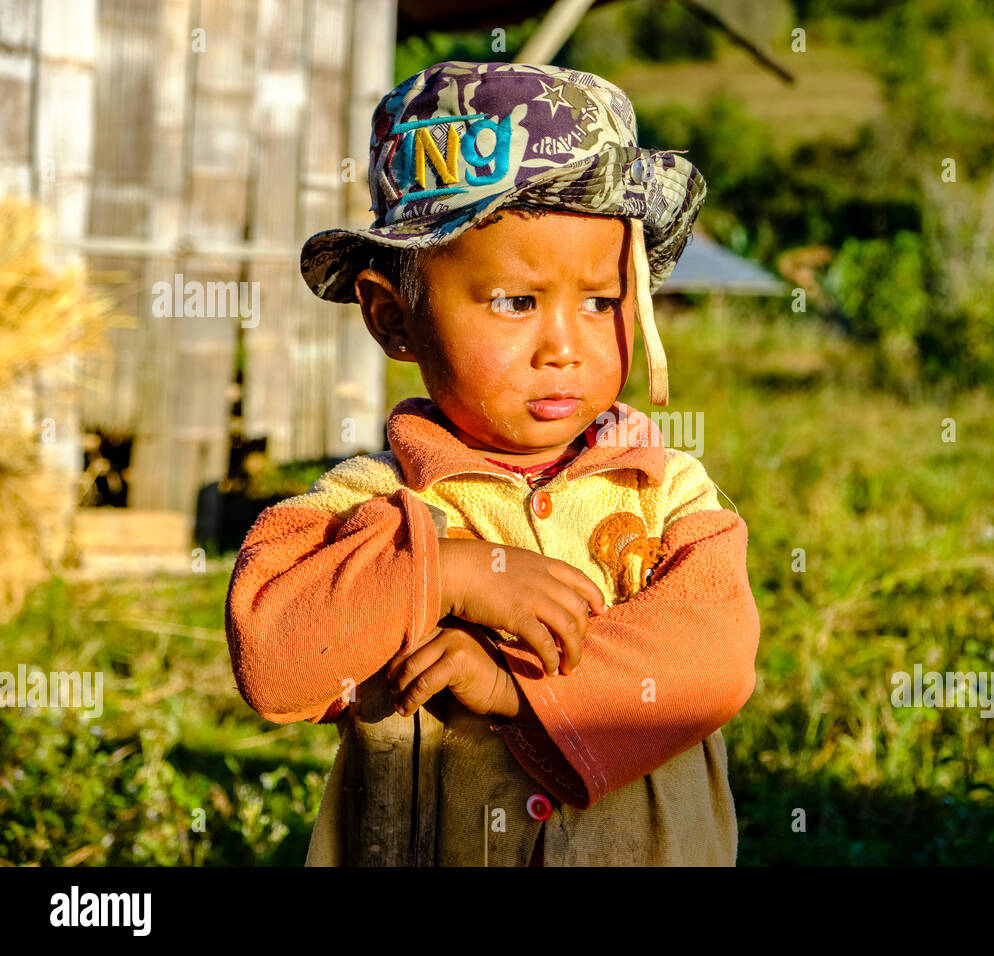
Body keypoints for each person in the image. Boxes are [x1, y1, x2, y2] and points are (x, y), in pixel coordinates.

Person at [225, 61, 760, 866]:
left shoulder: (665, 490)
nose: (565, 348)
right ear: (393, 318)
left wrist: (517, 691)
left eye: (601, 302)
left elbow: (714, 654)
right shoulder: (367, 503)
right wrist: (445, 572)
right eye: (515, 302)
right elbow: (274, 659)